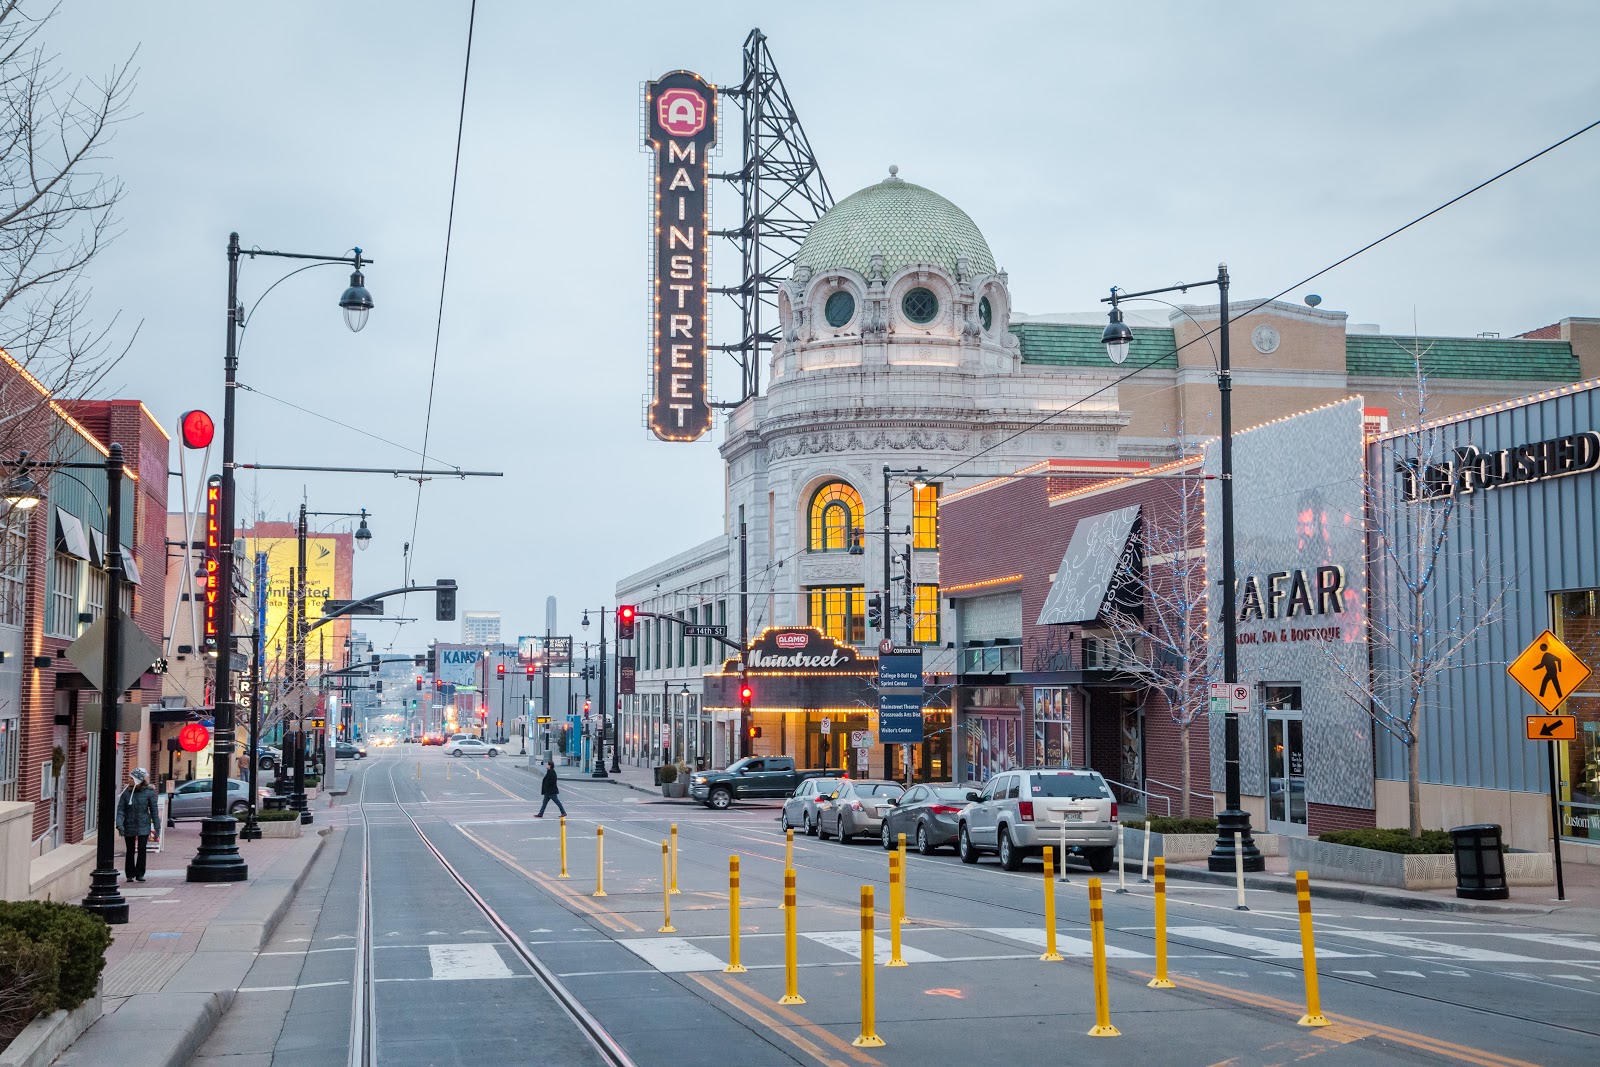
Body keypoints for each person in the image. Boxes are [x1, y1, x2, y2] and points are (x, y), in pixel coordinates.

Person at [115, 768, 159, 882]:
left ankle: (140, 873)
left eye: (131, 778)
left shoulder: (149, 792)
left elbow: (154, 811)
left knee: (142, 849)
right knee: (130, 850)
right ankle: (129, 874)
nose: (128, 780)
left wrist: (157, 827)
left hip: (143, 824)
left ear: (137, 780)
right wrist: (119, 824)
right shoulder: (126, 792)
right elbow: (120, 810)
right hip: (129, 824)